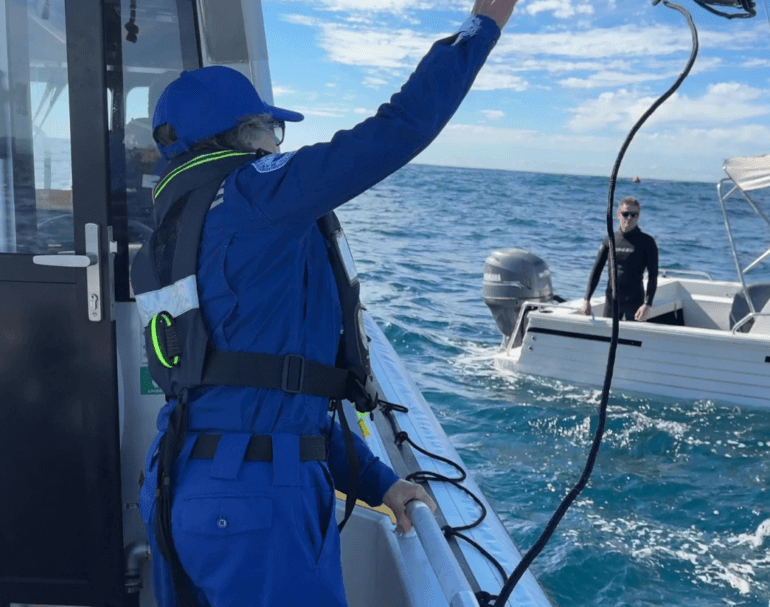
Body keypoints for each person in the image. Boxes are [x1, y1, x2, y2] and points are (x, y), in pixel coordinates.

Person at [131, 2, 519, 606]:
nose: (273, 143)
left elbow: (263, 389)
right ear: (234, 135)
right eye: (266, 128)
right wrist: (482, 25)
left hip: (179, 483)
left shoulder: (173, 230)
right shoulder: (254, 192)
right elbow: (400, 127)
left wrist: (378, 482)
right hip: (257, 506)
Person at [579, 196, 659, 321]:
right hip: (612, 300)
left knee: (632, 339)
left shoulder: (647, 242)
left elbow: (653, 275)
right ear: (618, 215)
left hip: (635, 301)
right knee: (608, 338)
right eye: (625, 214)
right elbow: (596, 270)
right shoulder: (610, 239)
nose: (629, 218)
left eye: (634, 215)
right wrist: (587, 300)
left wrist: (647, 304)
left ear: (638, 216)